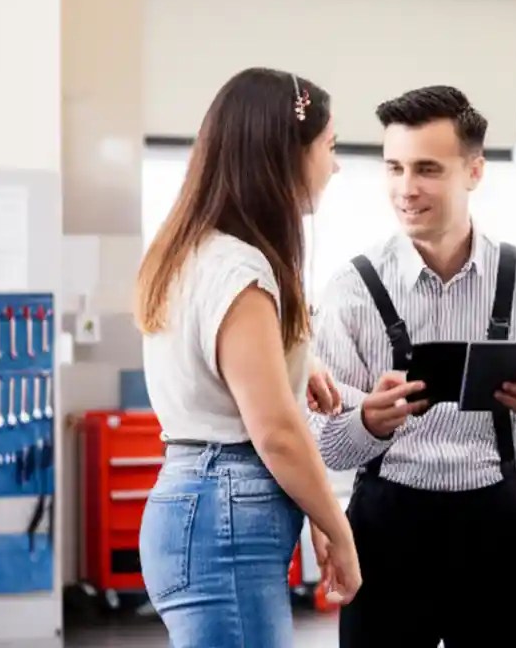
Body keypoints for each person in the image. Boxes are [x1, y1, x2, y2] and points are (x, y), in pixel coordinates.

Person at [308, 85, 516, 648]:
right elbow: (327, 446)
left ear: (474, 171)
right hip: (386, 534)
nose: (406, 189)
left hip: (497, 533)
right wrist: (367, 422)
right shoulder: (351, 291)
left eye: (427, 169)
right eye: (394, 168)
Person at [134, 67, 362, 647]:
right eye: (330, 146)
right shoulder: (241, 269)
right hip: (224, 511)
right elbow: (277, 433)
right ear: (286, 155)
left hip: (191, 500)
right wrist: (337, 526)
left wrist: (294, 363)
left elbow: (219, 367)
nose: (335, 166)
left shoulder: (188, 253)